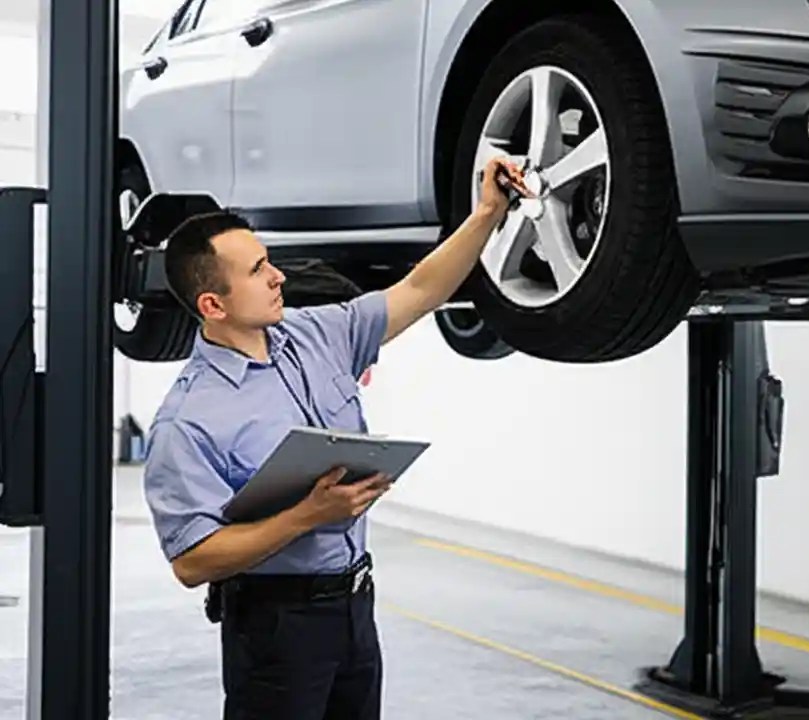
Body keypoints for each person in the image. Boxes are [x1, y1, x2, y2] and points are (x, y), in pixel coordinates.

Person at [141, 156, 530, 720]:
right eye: (256, 271)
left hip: (353, 609)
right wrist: (307, 515)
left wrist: (488, 213)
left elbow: (421, 289)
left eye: (269, 261)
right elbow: (194, 561)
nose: (277, 276)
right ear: (213, 304)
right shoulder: (188, 420)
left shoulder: (314, 333)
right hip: (275, 629)